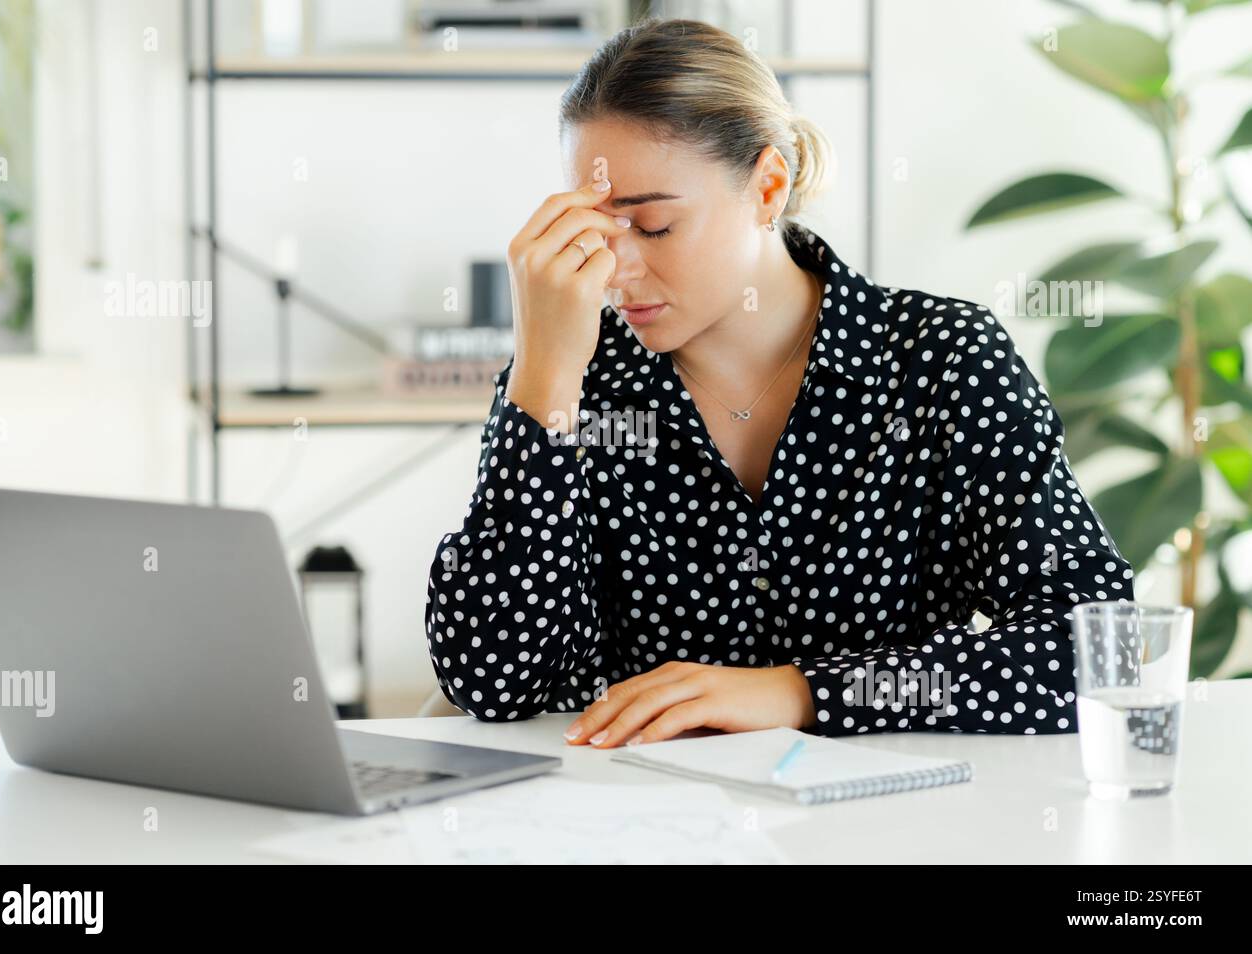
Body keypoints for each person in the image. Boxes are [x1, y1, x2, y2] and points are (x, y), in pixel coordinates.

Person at [423, 17, 1134, 748]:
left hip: (891, 827)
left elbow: (1092, 648)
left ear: (767, 187)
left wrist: (799, 693)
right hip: (643, 825)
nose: (619, 270)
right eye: (597, 233)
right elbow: (493, 680)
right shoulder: (575, 379)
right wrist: (541, 377)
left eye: (655, 226)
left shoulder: (942, 362)